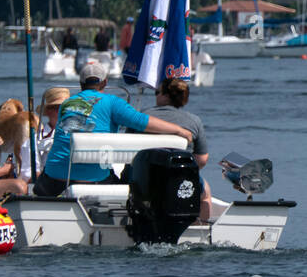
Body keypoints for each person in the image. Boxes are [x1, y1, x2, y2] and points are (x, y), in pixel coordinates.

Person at [34, 61, 197, 196]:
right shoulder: (112, 102)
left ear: (81, 84)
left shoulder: (66, 104)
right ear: (105, 82)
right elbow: (141, 121)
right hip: (95, 179)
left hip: (55, 180)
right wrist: (179, 131)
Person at [140, 77, 212, 224]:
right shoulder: (194, 121)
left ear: (166, 95)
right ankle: (199, 228)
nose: (156, 96)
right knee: (205, 195)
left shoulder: (141, 117)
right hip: (180, 180)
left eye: (157, 92)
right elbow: (202, 160)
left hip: (146, 178)